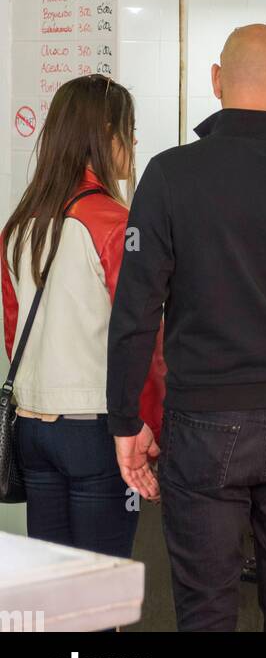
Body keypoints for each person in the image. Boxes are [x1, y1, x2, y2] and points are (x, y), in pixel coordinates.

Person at [107, 24, 266, 633]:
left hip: (207, 424)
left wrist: (124, 421)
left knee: (207, 612)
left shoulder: (167, 176)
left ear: (216, 81)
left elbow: (136, 311)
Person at [1, 75, 164, 560]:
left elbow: (14, 333)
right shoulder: (115, 225)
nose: (134, 142)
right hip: (97, 429)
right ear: (104, 134)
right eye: (127, 130)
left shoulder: (18, 226)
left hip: (32, 429)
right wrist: (148, 423)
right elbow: (142, 337)